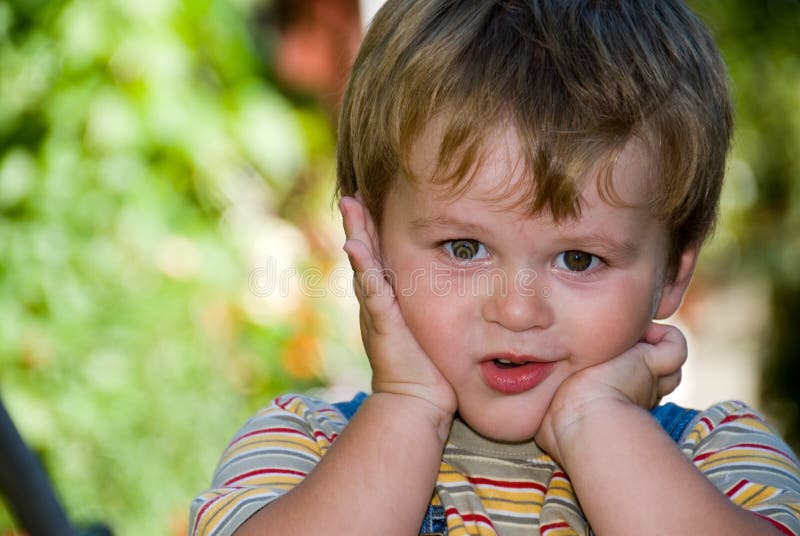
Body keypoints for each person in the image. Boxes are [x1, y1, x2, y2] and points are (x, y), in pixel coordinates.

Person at [189, 1, 800, 534]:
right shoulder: (301, 445)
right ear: (371, 245)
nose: (516, 310)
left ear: (673, 273)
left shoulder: (719, 457)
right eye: (463, 248)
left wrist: (598, 421)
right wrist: (407, 406)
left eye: (579, 259)